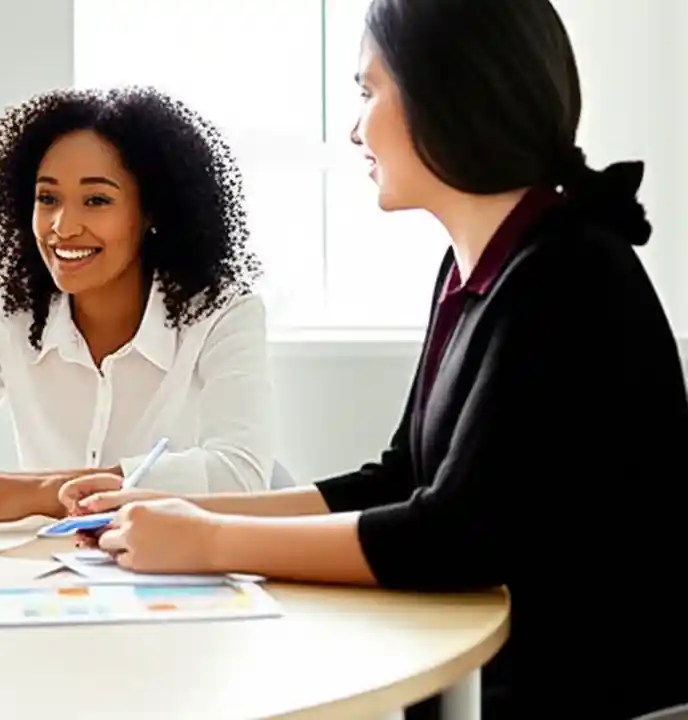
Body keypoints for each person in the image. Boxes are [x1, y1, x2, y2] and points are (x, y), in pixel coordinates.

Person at [58, 1, 688, 718]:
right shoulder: (478, 268)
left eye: (366, 90)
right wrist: (183, 509)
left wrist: (208, 540)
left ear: (446, 91)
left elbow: (454, 537)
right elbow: (400, 481)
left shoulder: (568, 275)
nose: (355, 128)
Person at [0, 86, 276, 533]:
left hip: (187, 574)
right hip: (55, 577)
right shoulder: (14, 314)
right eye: (48, 199)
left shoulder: (224, 313)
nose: (63, 227)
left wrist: (36, 493)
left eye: (96, 201)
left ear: (151, 210)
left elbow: (238, 476)